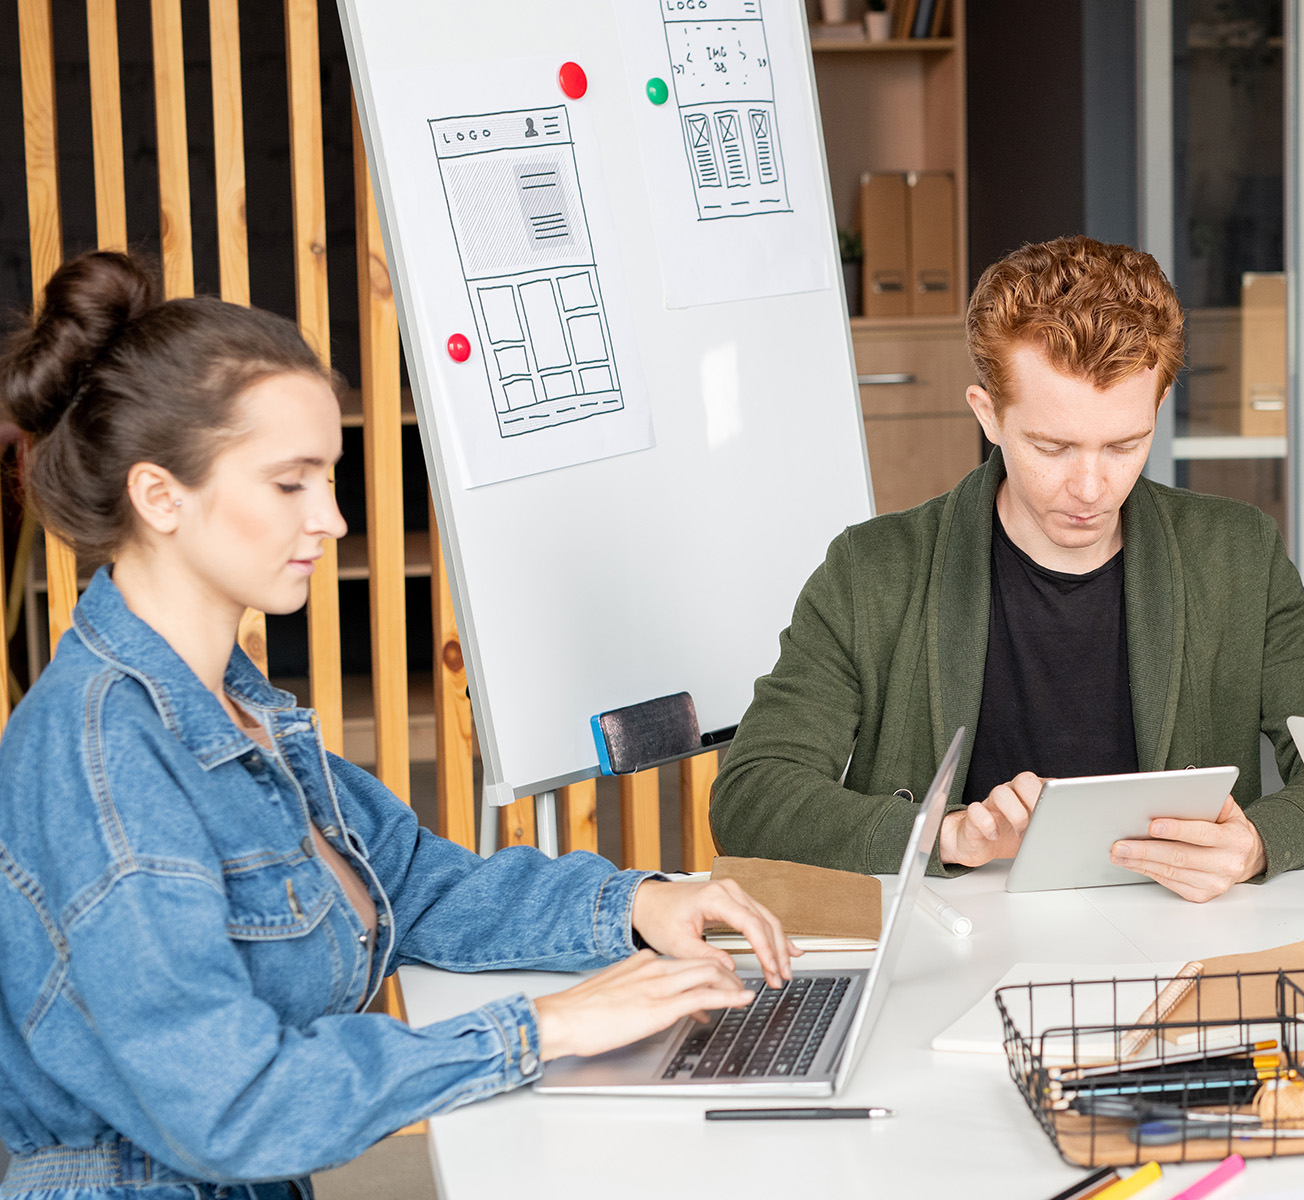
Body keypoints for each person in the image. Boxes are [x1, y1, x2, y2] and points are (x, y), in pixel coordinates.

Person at [0, 252, 797, 1200]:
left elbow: (407, 883)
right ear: (159, 496)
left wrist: (634, 905)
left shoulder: (232, 704)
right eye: (290, 484)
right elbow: (232, 1104)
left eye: (329, 477)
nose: (334, 518)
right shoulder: (104, 758)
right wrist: (547, 1030)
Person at [710, 236, 1304, 902]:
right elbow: (753, 796)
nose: (1090, 487)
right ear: (988, 415)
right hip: (951, 953)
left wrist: (1258, 844)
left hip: (1180, 945)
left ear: (1158, 410)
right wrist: (942, 834)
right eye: (1052, 447)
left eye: (1125, 444)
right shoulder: (872, 571)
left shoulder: (1238, 554)